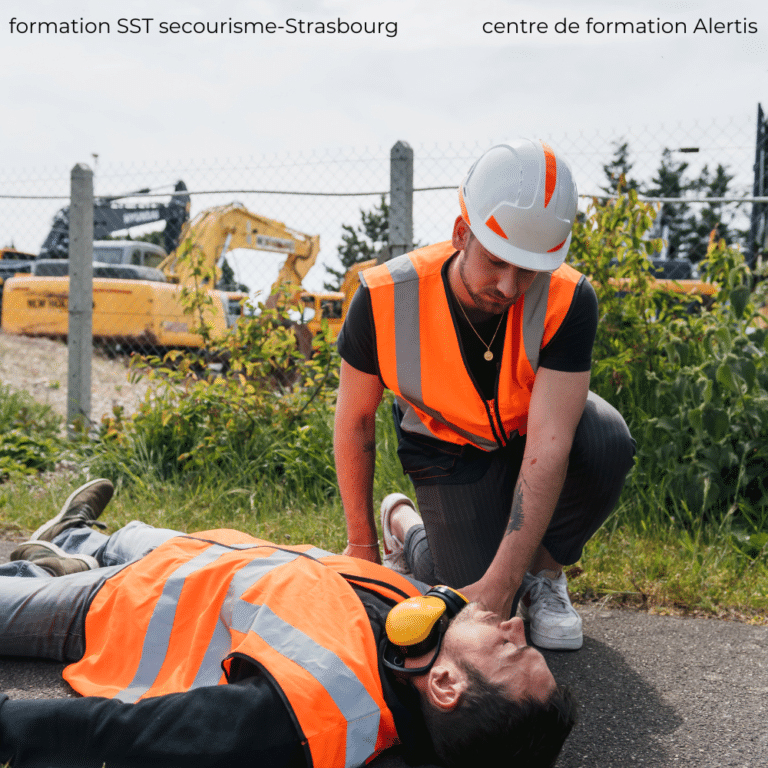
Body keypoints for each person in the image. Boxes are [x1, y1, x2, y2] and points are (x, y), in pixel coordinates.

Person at [0, 479, 577, 768]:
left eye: (512, 652)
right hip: (209, 552)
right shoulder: (420, 623)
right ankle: (73, 537)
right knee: (127, 534)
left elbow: (132, 734)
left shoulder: (325, 707)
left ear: (447, 686)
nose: (518, 629)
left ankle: (55, 564)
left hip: (121, 606)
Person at [335, 138, 635, 651]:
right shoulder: (383, 297)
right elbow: (357, 422)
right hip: (447, 455)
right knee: (460, 589)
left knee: (606, 439)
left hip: (525, 441)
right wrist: (360, 547)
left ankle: (544, 575)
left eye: (528, 268)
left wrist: (505, 585)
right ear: (460, 234)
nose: (511, 287)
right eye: (497, 262)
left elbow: (551, 442)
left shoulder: (569, 298)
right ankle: (403, 525)